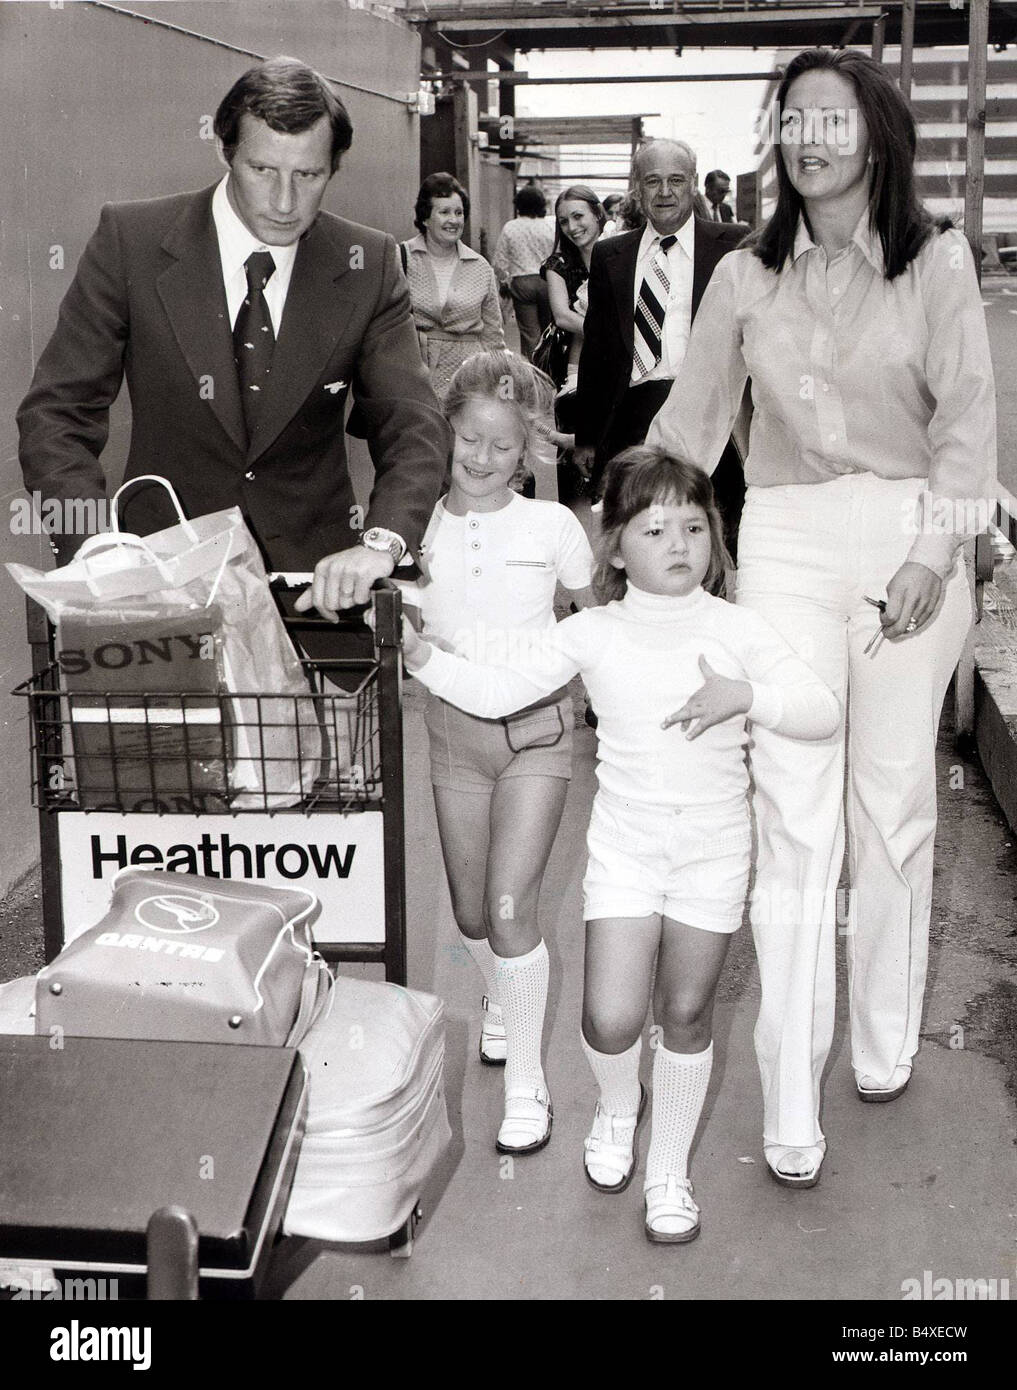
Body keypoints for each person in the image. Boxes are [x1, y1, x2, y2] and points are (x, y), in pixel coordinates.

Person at [647, 48, 997, 1189]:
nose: (807, 138)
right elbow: (692, 429)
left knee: (891, 799)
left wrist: (935, 553)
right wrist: (604, 534)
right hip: (788, 534)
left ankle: (885, 1036)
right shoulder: (746, 276)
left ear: (877, 135)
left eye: (831, 119)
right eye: (791, 119)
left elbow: (966, 432)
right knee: (794, 811)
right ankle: (790, 1094)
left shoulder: (936, 261)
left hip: (909, 530)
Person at [399, 447, 839, 1241]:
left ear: (715, 538)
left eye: (694, 527)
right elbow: (501, 689)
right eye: (655, 527)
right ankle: (617, 1107)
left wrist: (749, 696)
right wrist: (423, 658)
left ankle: (667, 1171)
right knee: (609, 1019)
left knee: (686, 1011)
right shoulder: (594, 633)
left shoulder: (737, 628)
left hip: (712, 853)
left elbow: (819, 710)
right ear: (614, 546)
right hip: (626, 853)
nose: (678, 543)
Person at [17, 55, 449, 619]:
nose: (285, 201)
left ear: (334, 167)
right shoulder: (133, 242)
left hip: (314, 593)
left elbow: (412, 424)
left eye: (308, 175)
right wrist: (95, 545)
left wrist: (382, 542)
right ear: (226, 151)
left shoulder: (367, 264)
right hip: (158, 583)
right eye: (263, 170)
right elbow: (56, 414)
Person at [399, 350, 595, 1156]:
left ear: (530, 450)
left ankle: (528, 1088)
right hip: (453, 736)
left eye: (504, 446)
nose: (483, 459)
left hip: (539, 735)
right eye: (469, 439)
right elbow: (399, 624)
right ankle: (498, 1000)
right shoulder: (414, 527)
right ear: (442, 432)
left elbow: (593, 619)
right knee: (474, 912)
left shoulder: (552, 527)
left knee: (513, 909)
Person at [573, 139, 746, 557]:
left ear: (693, 185)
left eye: (676, 180)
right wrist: (587, 437)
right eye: (653, 181)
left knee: (715, 538)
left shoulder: (735, 245)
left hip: (710, 413)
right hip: (633, 414)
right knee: (638, 538)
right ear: (637, 187)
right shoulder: (610, 254)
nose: (664, 192)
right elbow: (597, 346)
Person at [401, 172, 505, 401]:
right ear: (425, 218)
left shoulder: (480, 267)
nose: (454, 220)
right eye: (444, 212)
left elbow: (493, 335)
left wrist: (500, 387)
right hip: (416, 373)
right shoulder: (401, 259)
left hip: (468, 377)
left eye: (459, 213)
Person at [492, 185, 556, 359]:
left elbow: (499, 262)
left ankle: (532, 371)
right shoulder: (551, 225)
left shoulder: (511, 227)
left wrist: (505, 281)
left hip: (522, 284)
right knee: (549, 330)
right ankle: (549, 369)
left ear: (519, 205)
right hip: (548, 282)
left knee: (529, 334)